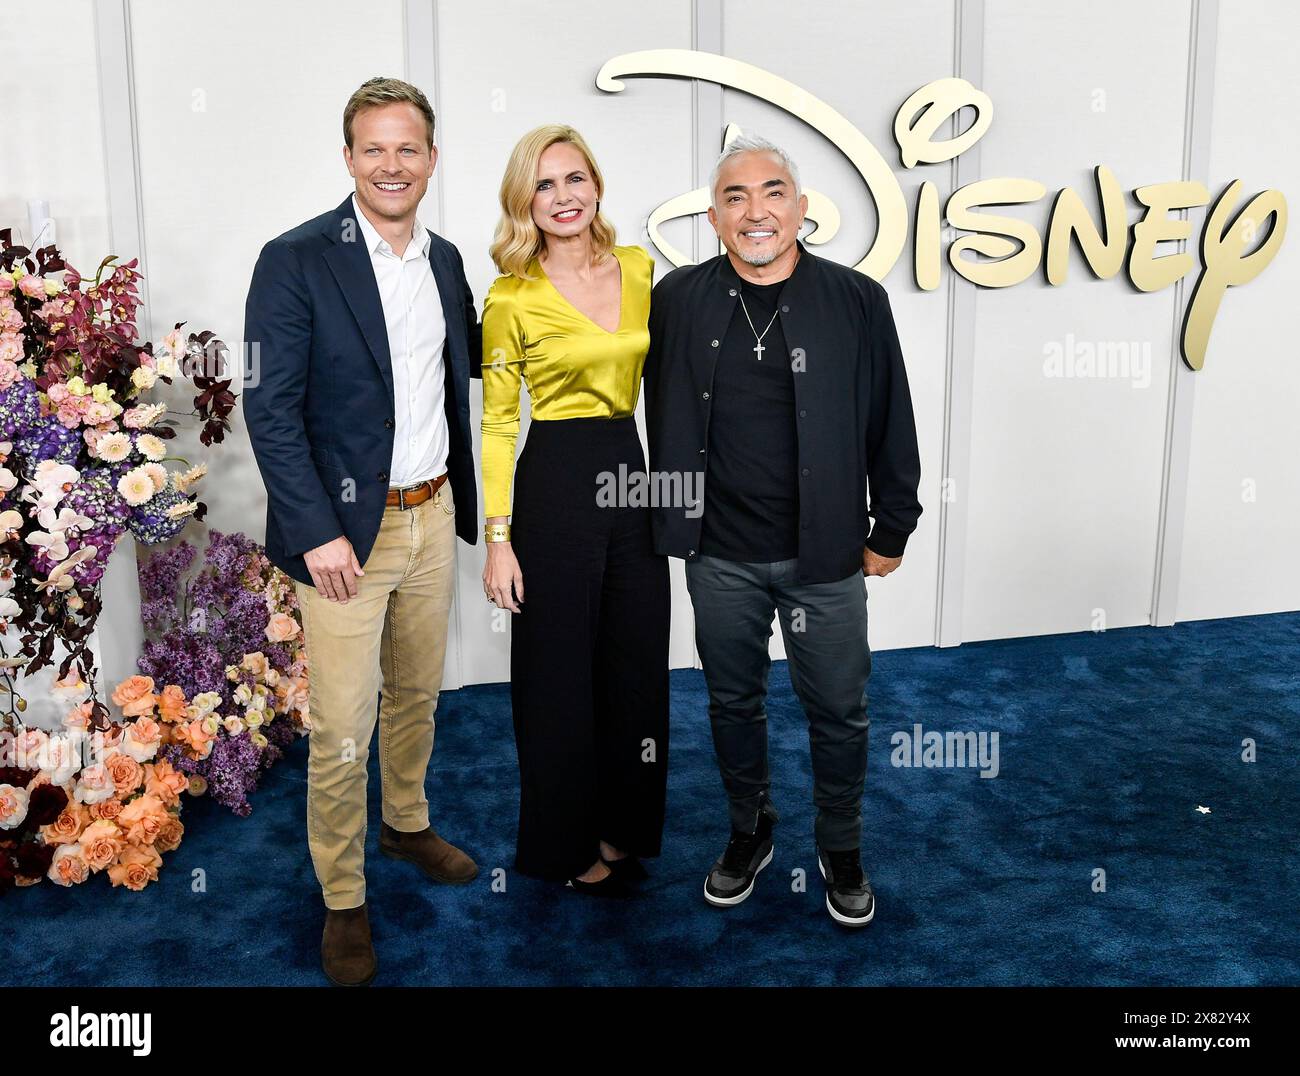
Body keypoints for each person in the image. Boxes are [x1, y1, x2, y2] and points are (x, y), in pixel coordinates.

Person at [643, 133, 923, 927]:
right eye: (735, 197)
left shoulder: (857, 299)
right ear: (714, 216)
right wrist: (671, 518)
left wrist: (891, 525)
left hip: (826, 551)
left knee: (838, 708)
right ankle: (750, 829)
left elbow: (889, 417)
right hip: (720, 555)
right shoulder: (678, 299)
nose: (755, 211)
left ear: (801, 210)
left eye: (772, 194)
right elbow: (659, 412)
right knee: (733, 703)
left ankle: (841, 848)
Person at [243, 77, 481, 985]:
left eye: (407, 148)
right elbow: (272, 411)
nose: (392, 164)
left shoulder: (448, 261)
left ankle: (406, 822)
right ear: (348, 159)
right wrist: (315, 533)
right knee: (343, 723)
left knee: (418, 692)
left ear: (431, 159)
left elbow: (459, 392)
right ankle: (343, 897)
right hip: (344, 532)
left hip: (434, 512)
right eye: (373, 148)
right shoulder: (297, 258)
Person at [480, 124, 670, 896]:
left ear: (596, 185)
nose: (563, 197)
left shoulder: (639, 267)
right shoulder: (509, 296)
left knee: (634, 666)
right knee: (557, 675)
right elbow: (496, 423)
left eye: (575, 179)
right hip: (554, 482)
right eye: (545, 184)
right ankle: (561, 844)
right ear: (525, 200)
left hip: (634, 474)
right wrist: (499, 538)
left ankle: (627, 825)